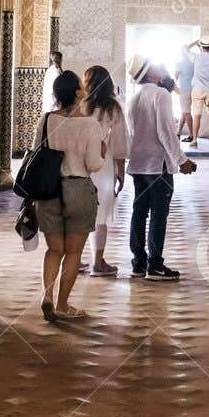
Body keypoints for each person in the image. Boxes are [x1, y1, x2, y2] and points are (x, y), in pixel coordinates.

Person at [36, 70, 107, 322]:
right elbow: (94, 164)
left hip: (48, 189)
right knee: (73, 252)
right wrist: (103, 149)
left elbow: (36, 154)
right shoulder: (90, 125)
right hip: (78, 189)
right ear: (78, 93)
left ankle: (47, 296)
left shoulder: (45, 120)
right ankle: (63, 304)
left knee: (54, 250)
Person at [125, 52, 196, 280]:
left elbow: (133, 133)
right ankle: (155, 265)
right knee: (158, 214)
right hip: (158, 165)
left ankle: (138, 262)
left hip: (138, 164)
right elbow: (166, 132)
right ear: (151, 73)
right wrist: (181, 160)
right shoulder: (161, 95)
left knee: (139, 212)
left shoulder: (133, 97)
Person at [81, 64, 128, 276]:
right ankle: (97, 262)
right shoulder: (113, 108)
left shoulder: (79, 106)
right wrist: (121, 170)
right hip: (103, 165)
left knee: (79, 213)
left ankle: (75, 258)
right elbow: (119, 144)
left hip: (79, 165)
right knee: (100, 214)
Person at [189, 37, 209, 145]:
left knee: (196, 115)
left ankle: (194, 140)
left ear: (201, 46)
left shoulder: (196, 58)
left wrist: (195, 43)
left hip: (197, 89)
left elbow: (183, 49)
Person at [174, 44, 195, 140]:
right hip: (193, 90)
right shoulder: (193, 62)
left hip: (184, 90)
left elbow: (176, 76)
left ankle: (191, 135)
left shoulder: (179, 63)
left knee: (186, 112)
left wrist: (175, 87)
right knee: (184, 112)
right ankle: (177, 133)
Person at [41, 50, 64, 117]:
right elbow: (54, 89)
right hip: (52, 103)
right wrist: (57, 102)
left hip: (51, 103)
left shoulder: (53, 70)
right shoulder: (54, 72)